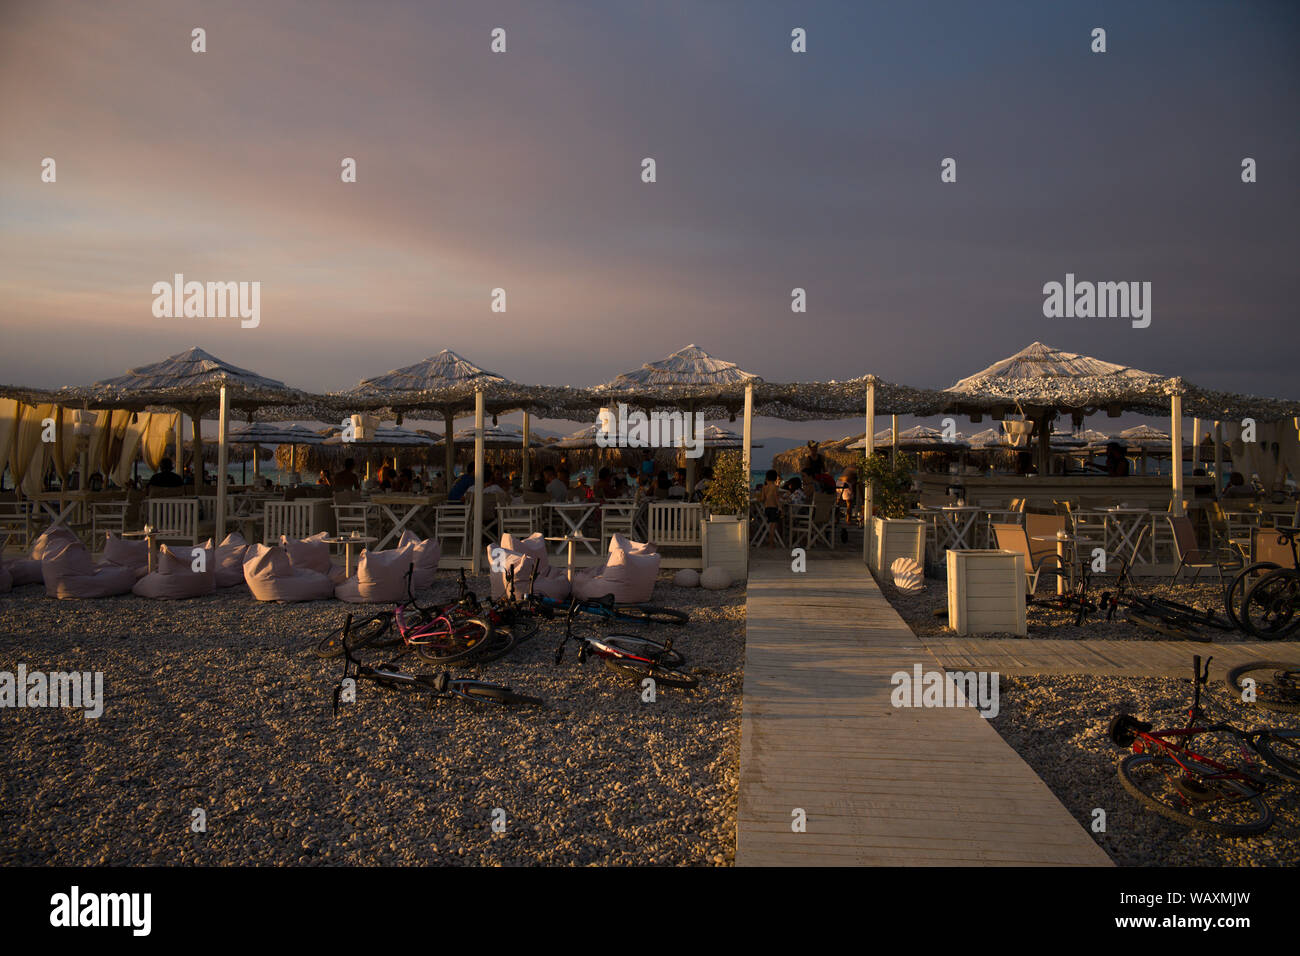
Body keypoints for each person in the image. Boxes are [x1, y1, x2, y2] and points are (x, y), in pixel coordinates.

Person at [759, 470, 783, 548]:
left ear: (766, 477)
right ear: (776, 478)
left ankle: (770, 541)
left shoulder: (764, 487)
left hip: (766, 509)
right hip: (773, 508)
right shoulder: (775, 487)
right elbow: (776, 498)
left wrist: (757, 498)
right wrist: (780, 507)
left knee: (770, 526)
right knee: (773, 527)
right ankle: (771, 543)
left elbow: (762, 498)